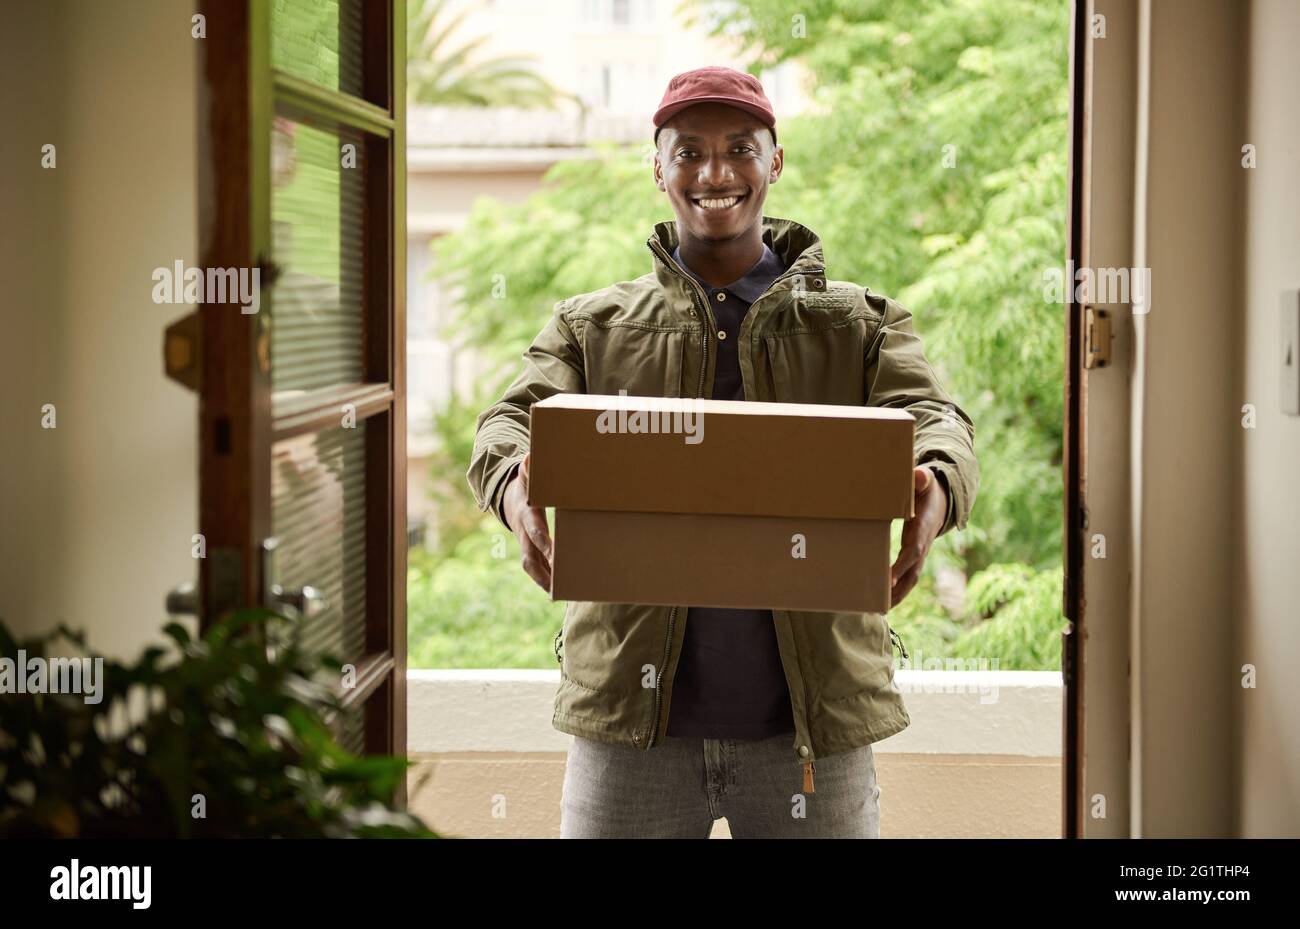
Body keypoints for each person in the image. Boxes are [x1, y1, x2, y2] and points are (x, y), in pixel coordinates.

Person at [467, 66, 979, 838]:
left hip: (812, 732)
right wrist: (512, 487)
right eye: (688, 152)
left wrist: (936, 483)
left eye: (740, 148)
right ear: (657, 168)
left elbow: (936, 418)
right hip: (629, 731)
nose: (715, 173)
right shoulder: (590, 326)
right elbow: (505, 425)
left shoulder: (860, 324)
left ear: (776, 161)